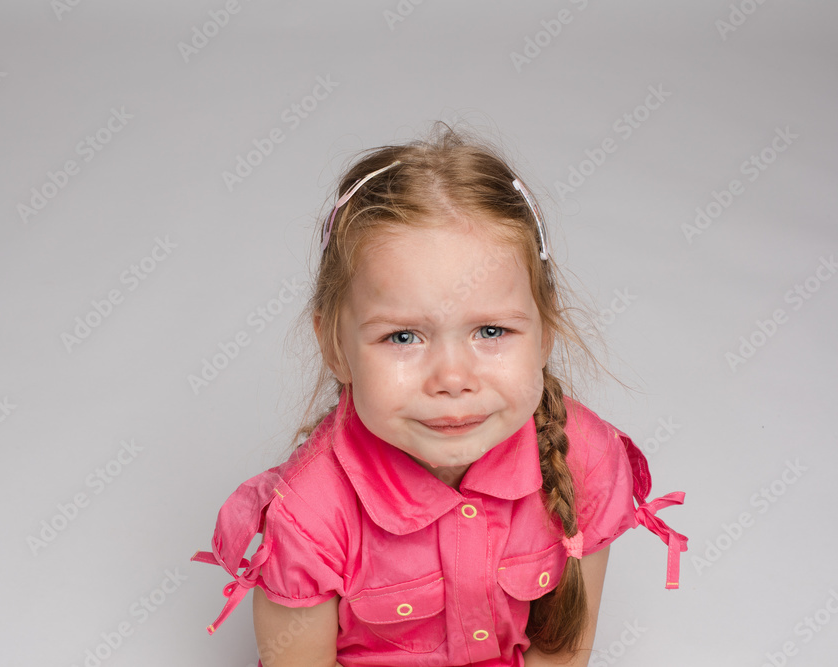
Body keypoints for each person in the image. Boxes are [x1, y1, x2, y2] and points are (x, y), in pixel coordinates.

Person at [192, 125, 688, 667]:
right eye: (403, 337)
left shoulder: (584, 454)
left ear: (545, 332)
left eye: (491, 332)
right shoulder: (309, 513)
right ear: (336, 346)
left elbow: (562, 652)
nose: (452, 378)